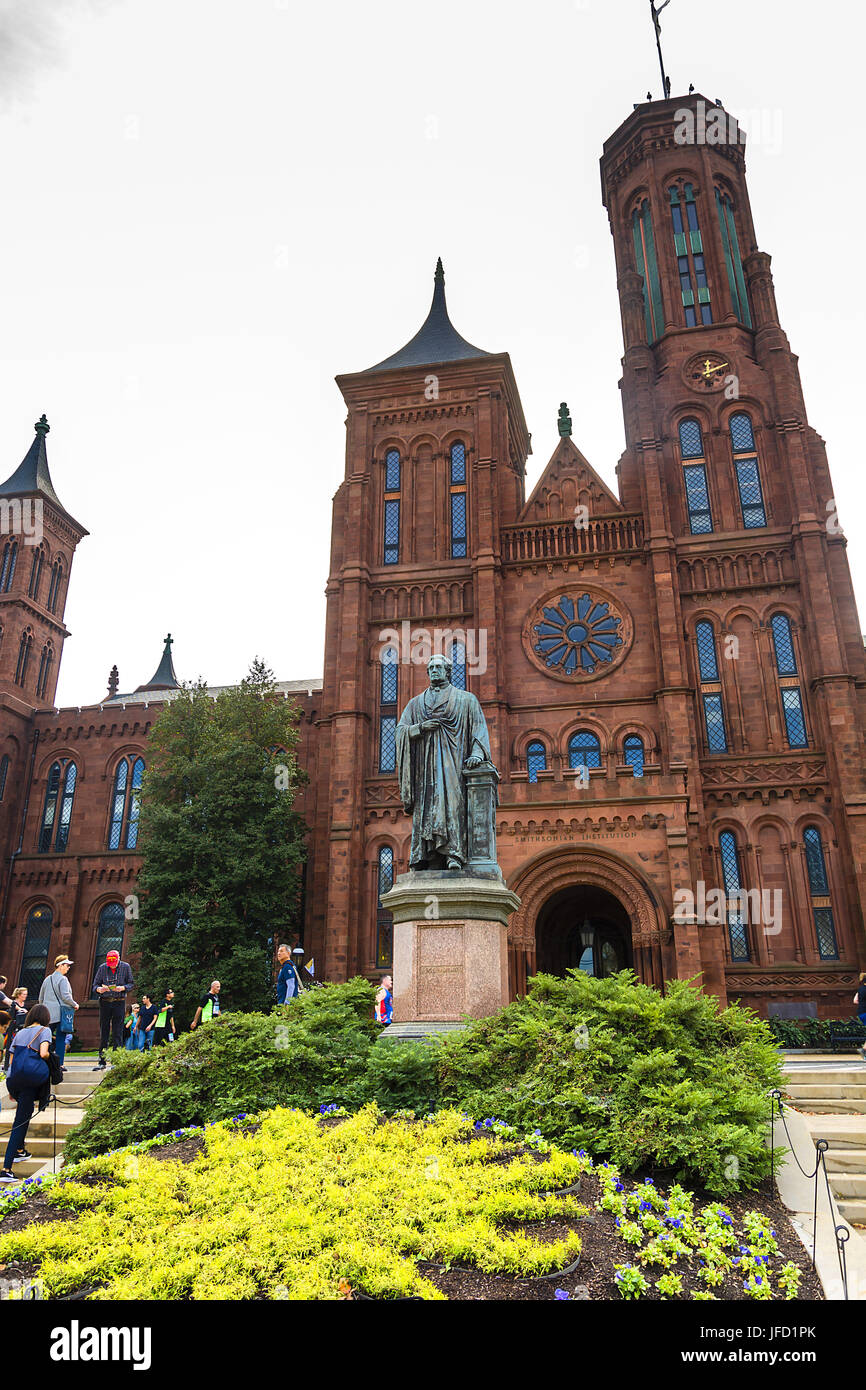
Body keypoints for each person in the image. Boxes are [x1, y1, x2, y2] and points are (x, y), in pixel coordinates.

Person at [0, 1003, 52, 1183]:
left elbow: (12, 1060)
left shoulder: (20, 1032)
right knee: (20, 1122)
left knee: (24, 1112)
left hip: (16, 1079)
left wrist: (12, 1088)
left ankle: (20, 1150)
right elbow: (44, 1053)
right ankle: (6, 1168)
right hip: (31, 1080)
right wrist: (47, 1058)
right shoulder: (44, 1031)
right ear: (45, 1017)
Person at [92, 949, 134, 1068]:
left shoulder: (126, 967)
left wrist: (123, 988)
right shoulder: (102, 968)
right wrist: (99, 989)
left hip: (119, 1002)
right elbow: (95, 985)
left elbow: (131, 984)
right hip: (104, 1002)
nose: (112, 966)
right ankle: (102, 1061)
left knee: (118, 1032)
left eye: (114, 963)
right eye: (110, 964)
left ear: (119, 958)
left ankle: (117, 1061)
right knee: (104, 1031)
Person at [39, 954, 78, 1066]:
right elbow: (66, 996)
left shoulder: (47, 979)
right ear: (60, 966)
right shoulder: (63, 979)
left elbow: (41, 998)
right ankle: (59, 1064)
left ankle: (46, 1063)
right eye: (67, 965)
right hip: (61, 1014)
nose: (68, 967)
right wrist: (75, 1004)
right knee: (61, 1039)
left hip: (47, 1015)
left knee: (46, 1039)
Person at [3, 988, 28, 1072]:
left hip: (22, 1028)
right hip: (13, 1028)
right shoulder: (14, 1004)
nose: (25, 996)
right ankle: (8, 1063)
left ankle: (15, 1063)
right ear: (18, 995)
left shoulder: (24, 1004)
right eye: (24, 994)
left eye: (26, 994)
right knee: (10, 1046)